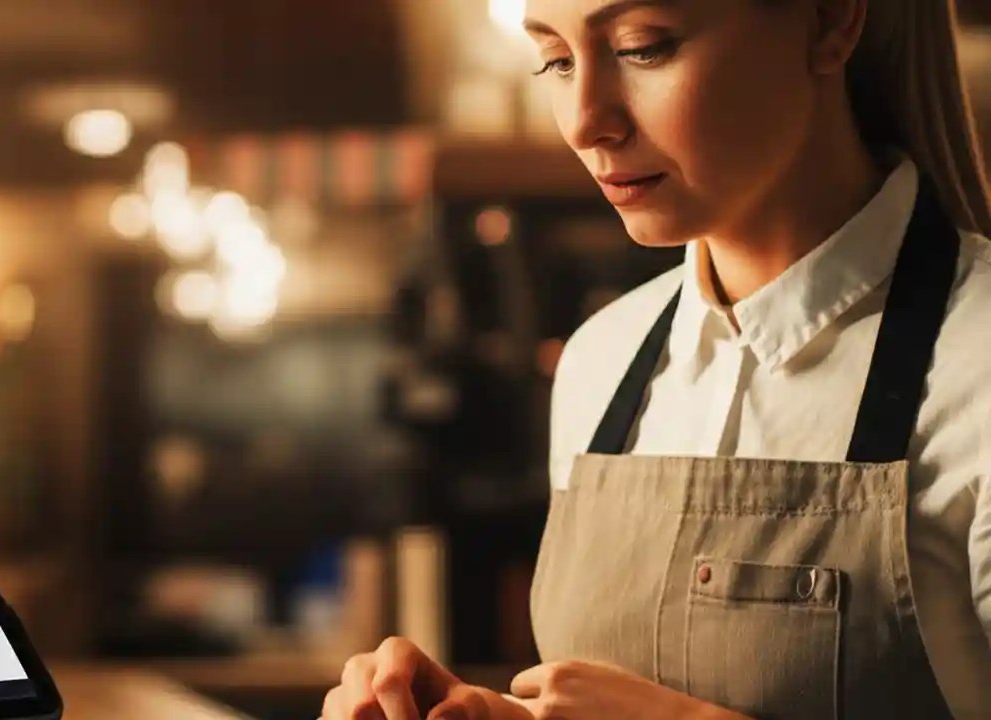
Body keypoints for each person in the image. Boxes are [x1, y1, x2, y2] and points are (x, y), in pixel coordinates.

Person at [321, 0, 991, 718]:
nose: (583, 121)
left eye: (643, 47)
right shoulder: (599, 362)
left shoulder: (974, 358)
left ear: (830, 22)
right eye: (555, 59)